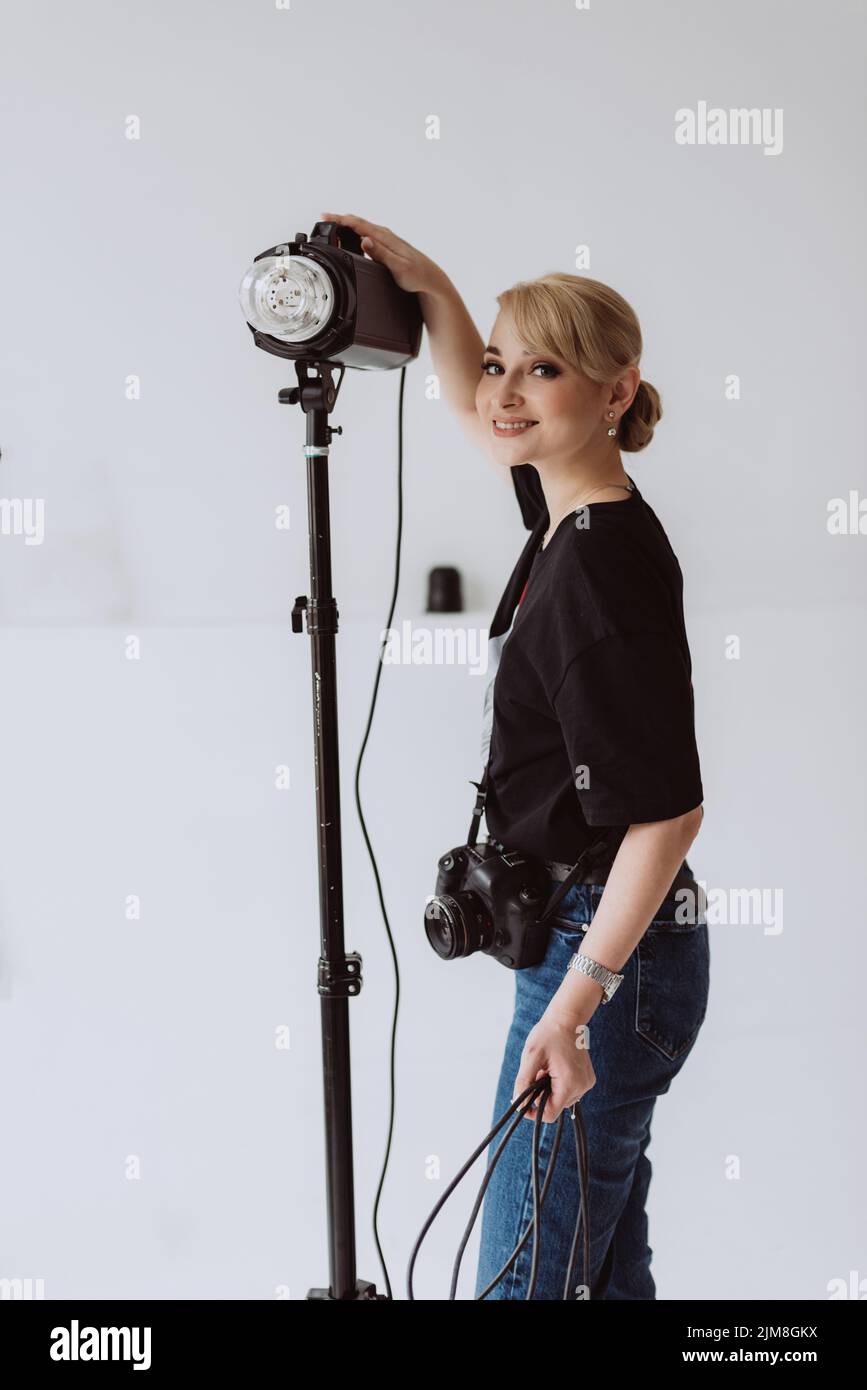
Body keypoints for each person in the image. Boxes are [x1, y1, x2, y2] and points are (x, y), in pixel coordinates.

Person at [320, 213, 710, 1300]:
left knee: (523, 1283)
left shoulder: (598, 566)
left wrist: (574, 1005)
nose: (504, 392)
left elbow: (668, 817)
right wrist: (430, 285)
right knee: (595, 1277)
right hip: (599, 949)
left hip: (606, 955)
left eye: (544, 369)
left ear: (615, 393)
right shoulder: (569, 514)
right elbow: (473, 408)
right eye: (500, 362)